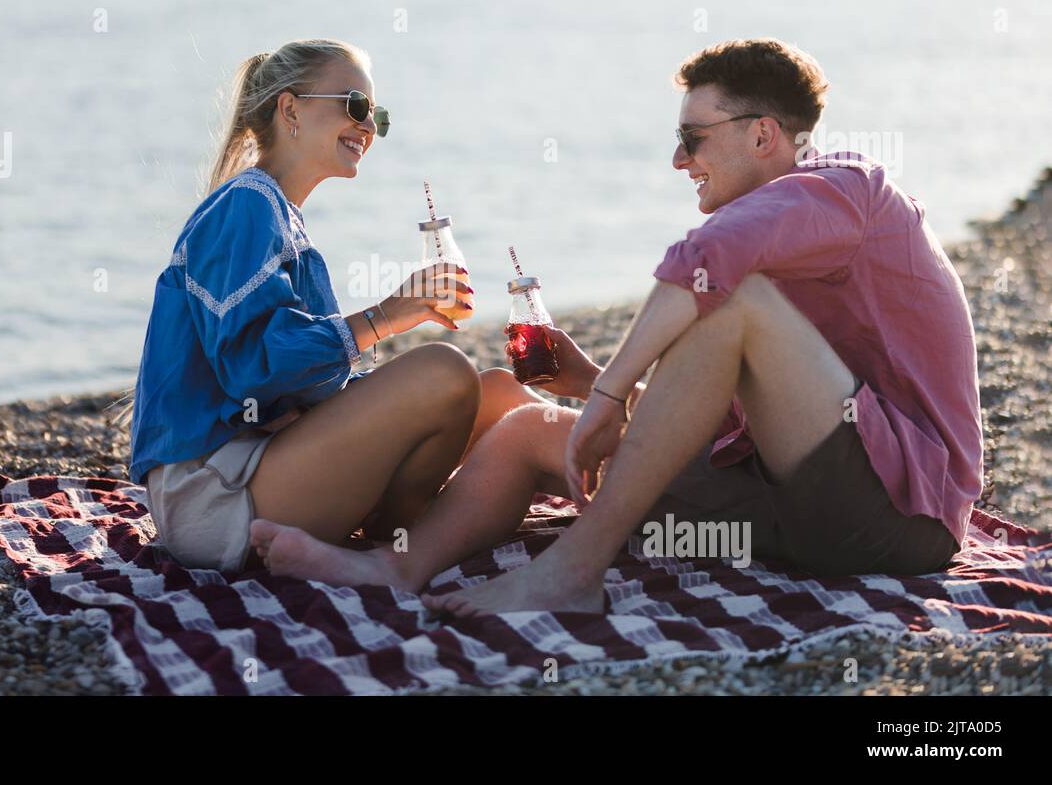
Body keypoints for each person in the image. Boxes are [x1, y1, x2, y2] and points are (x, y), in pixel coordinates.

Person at [251, 38, 983, 615]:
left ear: (764, 134)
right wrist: (595, 386)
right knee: (528, 425)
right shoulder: (767, 235)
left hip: (896, 515)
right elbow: (716, 419)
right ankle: (397, 569)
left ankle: (572, 571)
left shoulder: (847, 190)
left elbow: (698, 267)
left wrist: (609, 401)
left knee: (729, 298)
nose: (677, 159)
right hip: (787, 504)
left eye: (692, 137)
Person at [129, 37, 537, 574]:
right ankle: (420, 524)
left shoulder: (277, 212)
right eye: (356, 106)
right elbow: (251, 368)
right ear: (291, 108)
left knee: (504, 397)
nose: (368, 128)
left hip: (263, 469)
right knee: (444, 372)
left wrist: (375, 340)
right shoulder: (246, 205)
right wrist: (383, 318)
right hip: (217, 497)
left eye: (377, 116)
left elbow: (299, 386)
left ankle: (417, 517)